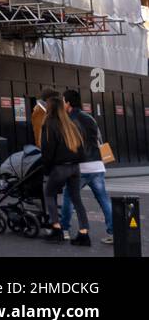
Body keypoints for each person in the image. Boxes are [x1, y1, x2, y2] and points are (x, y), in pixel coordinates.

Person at [59, 90, 113, 244]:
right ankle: (114, 232)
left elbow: (68, 146)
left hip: (81, 167)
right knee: (103, 199)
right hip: (97, 165)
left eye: (63, 101)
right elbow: (99, 140)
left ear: (68, 103)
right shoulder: (90, 118)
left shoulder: (68, 121)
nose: (62, 104)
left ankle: (64, 230)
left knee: (68, 197)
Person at [39, 94, 90, 246]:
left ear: (49, 108)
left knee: (49, 193)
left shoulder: (49, 123)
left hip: (59, 167)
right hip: (75, 167)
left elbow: (47, 150)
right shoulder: (72, 123)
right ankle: (84, 233)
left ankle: (56, 229)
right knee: (76, 198)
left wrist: (47, 169)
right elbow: (82, 146)